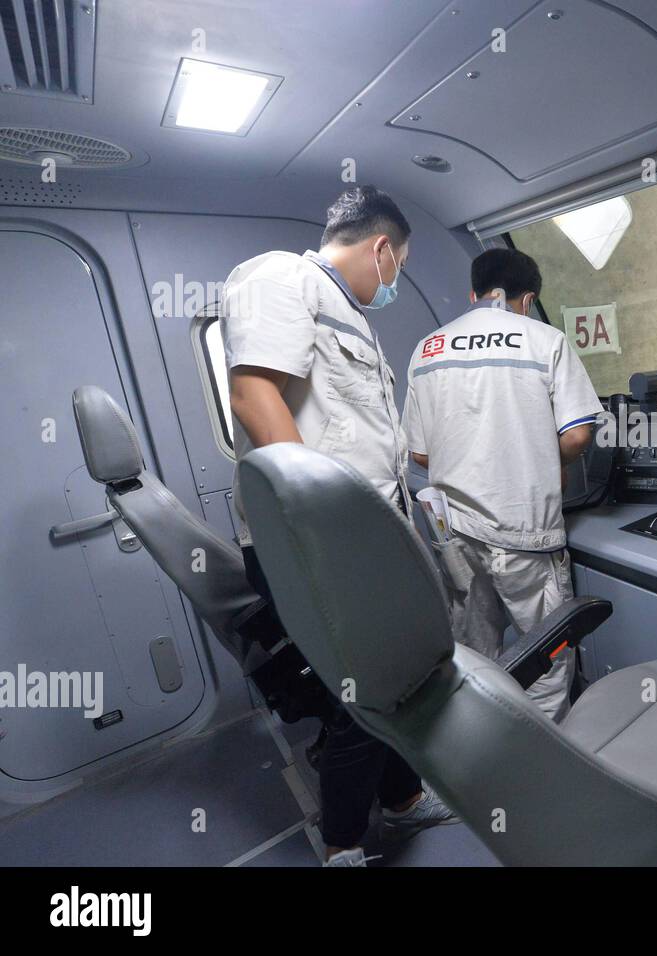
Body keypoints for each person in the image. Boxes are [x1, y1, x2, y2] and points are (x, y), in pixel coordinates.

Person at [221, 185, 453, 867]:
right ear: (382, 248)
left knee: (391, 679)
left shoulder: (342, 313)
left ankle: (404, 802)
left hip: (354, 542)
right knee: (365, 694)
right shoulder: (281, 275)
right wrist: (315, 531)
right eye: (400, 266)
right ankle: (345, 846)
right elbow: (253, 390)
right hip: (316, 544)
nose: (394, 283)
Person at [402, 248, 601, 721]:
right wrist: (534, 460)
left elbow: (420, 453)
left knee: (473, 655)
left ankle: (483, 755)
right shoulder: (543, 341)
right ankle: (548, 767)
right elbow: (576, 434)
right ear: (526, 299)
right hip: (524, 532)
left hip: (456, 535)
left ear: (474, 294)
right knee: (547, 661)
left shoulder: (428, 349)